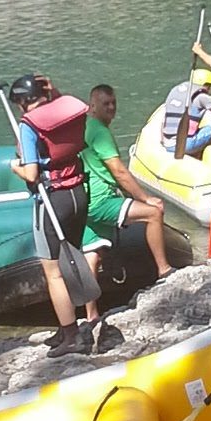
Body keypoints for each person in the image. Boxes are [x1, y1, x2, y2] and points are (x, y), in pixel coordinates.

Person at [81, 85, 173, 352]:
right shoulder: (100, 132)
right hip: (102, 200)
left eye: (113, 103)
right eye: (106, 103)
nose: (111, 108)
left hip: (86, 202)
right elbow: (120, 172)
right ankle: (164, 270)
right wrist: (145, 198)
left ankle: (91, 315)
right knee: (153, 213)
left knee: (92, 253)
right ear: (93, 105)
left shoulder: (82, 127)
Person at [9, 73, 93, 360]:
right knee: (72, 256)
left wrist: (15, 167)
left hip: (52, 200)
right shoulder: (64, 110)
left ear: (22, 102)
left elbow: (31, 173)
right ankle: (65, 324)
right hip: (78, 194)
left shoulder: (28, 126)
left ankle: (71, 336)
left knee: (54, 271)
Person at [161, 68, 211, 156]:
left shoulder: (175, 91)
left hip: (167, 143)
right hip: (185, 145)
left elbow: (163, 121)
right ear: (206, 85)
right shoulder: (201, 96)